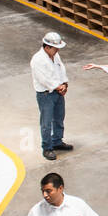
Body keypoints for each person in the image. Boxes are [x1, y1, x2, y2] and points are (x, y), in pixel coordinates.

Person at [31, 31, 73, 161]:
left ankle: (57, 141)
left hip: (58, 92)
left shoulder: (55, 56)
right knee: (46, 123)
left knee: (59, 118)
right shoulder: (37, 60)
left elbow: (61, 69)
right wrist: (58, 87)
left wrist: (65, 83)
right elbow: (43, 79)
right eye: (56, 48)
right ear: (47, 47)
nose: (57, 51)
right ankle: (47, 148)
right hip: (46, 95)